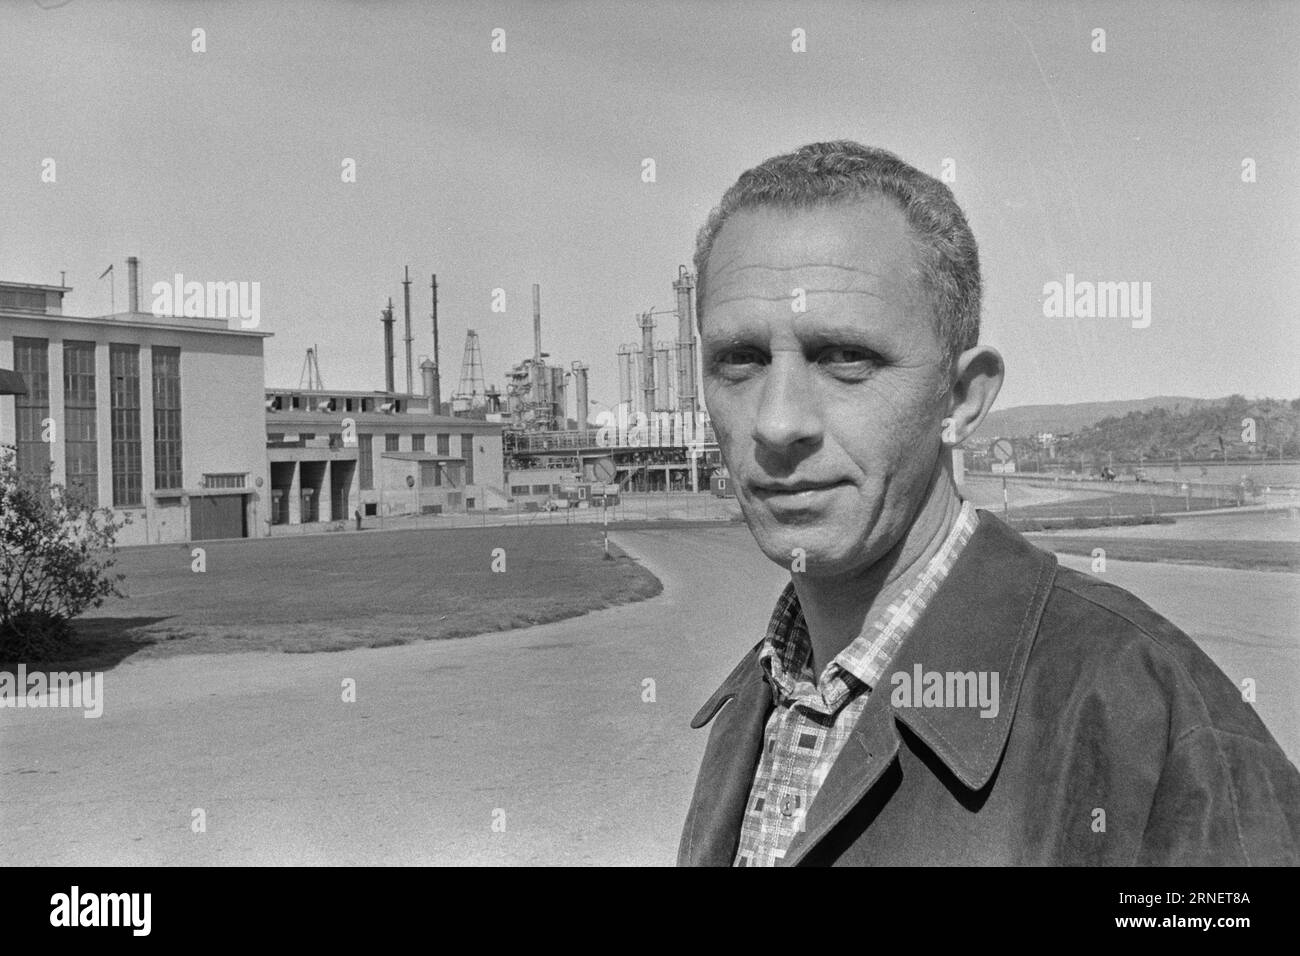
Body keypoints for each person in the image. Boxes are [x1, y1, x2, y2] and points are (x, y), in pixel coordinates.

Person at [677, 141, 1300, 866]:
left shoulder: (1150, 720)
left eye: (845, 357)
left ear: (964, 399)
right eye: (740, 360)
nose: (779, 423)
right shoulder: (753, 706)